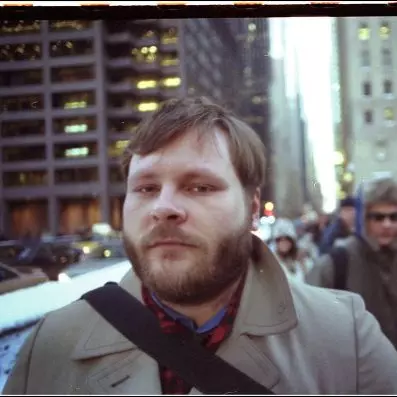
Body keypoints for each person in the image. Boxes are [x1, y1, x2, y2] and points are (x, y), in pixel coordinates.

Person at [4, 97, 397, 395]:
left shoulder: (347, 338)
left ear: (252, 207)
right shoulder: (51, 343)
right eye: (146, 188)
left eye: (200, 186)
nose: (164, 208)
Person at [307, 174, 397, 350]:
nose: (387, 224)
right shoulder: (337, 262)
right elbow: (311, 324)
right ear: (364, 218)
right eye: (378, 217)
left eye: (394, 217)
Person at [269, 218, 312, 282]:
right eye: (280, 240)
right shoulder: (271, 261)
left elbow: (309, 278)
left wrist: (303, 264)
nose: (284, 243)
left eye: (287, 240)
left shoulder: (299, 259)